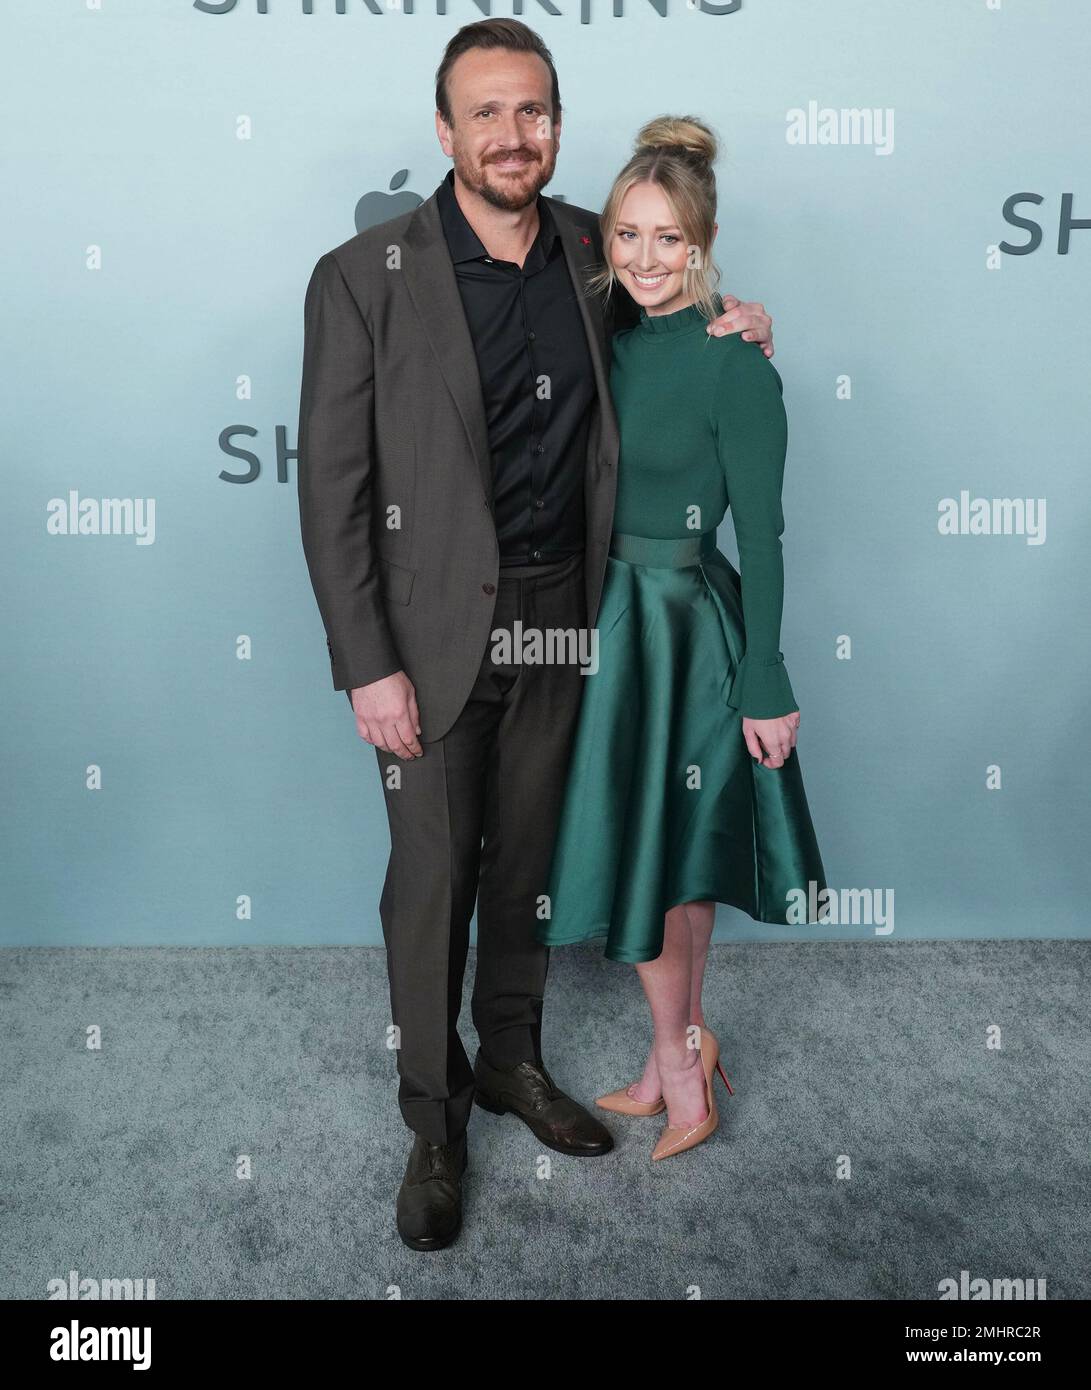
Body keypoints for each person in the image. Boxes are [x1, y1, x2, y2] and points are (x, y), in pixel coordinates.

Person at [296, 20, 778, 1251]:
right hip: (424, 637)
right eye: (487, 113)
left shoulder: (588, 249)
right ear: (444, 130)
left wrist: (739, 323)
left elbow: (669, 323)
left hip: (566, 617)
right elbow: (332, 488)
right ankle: (433, 1120)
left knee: (525, 859)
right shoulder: (362, 277)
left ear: (555, 126)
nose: (512, 135)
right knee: (433, 880)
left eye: (533, 112)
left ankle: (511, 1058)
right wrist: (366, 663)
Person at [538, 116, 828, 1161]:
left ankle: (674, 1066)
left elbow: (765, 534)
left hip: (690, 634)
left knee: (659, 864)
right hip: (614, 622)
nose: (645, 258)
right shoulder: (603, 337)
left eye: (668, 238)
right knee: (678, 859)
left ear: (701, 243)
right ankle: (690, 1045)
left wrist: (766, 676)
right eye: (628, 235)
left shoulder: (734, 362)